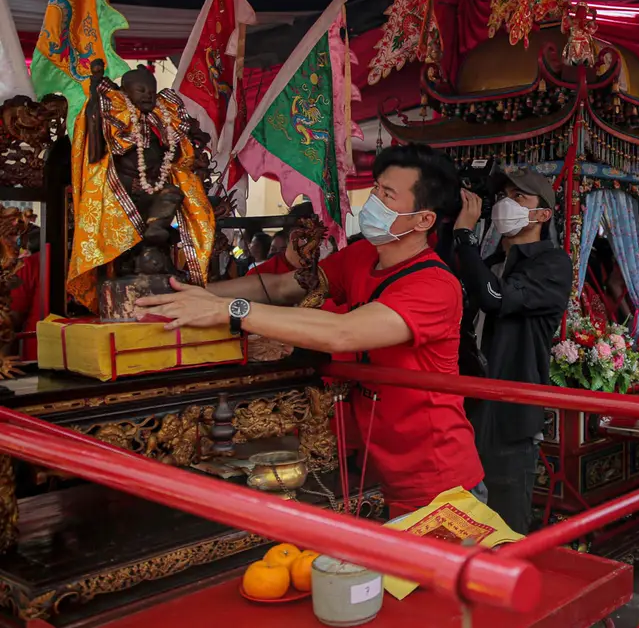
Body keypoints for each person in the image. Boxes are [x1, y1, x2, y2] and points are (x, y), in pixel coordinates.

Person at [135, 144, 485, 515]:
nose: (374, 201)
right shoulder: (362, 255)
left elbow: (343, 333)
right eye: (377, 189)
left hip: (441, 479)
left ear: (424, 220)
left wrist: (229, 311)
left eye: (388, 194)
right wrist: (187, 295)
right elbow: (287, 286)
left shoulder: (434, 286)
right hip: (379, 470)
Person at [452, 167, 572, 534]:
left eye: (519, 197)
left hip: (510, 411)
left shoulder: (552, 265)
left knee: (505, 523)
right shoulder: (492, 265)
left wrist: (463, 235)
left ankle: (510, 588)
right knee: (465, 517)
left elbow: (494, 298)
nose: (508, 203)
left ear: (543, 214)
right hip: (470, 403)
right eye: (503, 196)